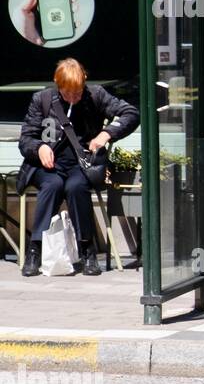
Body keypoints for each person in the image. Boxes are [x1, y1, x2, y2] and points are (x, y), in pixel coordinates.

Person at [17, 58, 139, 276]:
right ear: (58, 85)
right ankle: (35, 248)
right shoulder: (42, 99)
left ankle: (87, 249)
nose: (73, 97)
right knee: (52, 185)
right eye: (68, 93)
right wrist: (39, 148)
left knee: (75, 188)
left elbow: (131, 113)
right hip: (48, 166)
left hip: (81, 165)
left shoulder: (96, 95)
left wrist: (106, 133)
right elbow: (26, 139)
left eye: (78, 92)